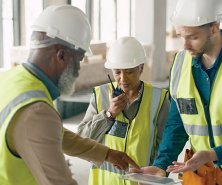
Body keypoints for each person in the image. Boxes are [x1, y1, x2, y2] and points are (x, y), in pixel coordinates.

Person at [0, 5, 139, 185]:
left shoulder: (10, 79)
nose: (78, 69)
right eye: (79, 60)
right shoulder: (36, 111)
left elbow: (53, 133)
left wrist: (107, 153)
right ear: (61, 55)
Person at [130, 0, 222, 184]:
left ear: (214, 28)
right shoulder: (180, 63)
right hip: (200, 173)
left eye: (193, 37)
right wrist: (162, 164)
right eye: (181, 36)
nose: (184, 45)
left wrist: (214, 154)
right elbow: (177, 122)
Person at [77, 36, 170, 185]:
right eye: (117, 72)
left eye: (129, 72)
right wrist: (109, 114)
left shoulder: (158, 99)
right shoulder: (100, 96)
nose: (123, 79)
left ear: (141, 68)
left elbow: (166, 145)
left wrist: (159, 173)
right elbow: (82, 138)